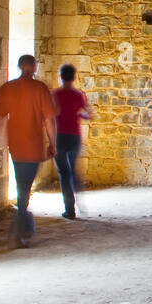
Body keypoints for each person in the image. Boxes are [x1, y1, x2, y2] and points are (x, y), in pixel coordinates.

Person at [0, 54, 57, 247]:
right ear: (34, 68)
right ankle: (18, 232)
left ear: (19, 66)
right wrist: (53, 143)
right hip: (33, 146)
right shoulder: (40, 89)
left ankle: (24, 225)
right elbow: (49, 119)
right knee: (24, 189)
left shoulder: (7, 88)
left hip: (15, 146)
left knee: (22, 187)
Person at [52, 63, 95, 219]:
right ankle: (80, 199)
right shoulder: (79, 95)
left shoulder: (54, 94)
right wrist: (78, 115)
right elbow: (89, 114)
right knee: (73, 170)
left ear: (60, 77)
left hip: (60, 137)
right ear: (74, 77)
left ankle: (69, 209)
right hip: (75, 136)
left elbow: (50, 115)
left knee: (64, 173)